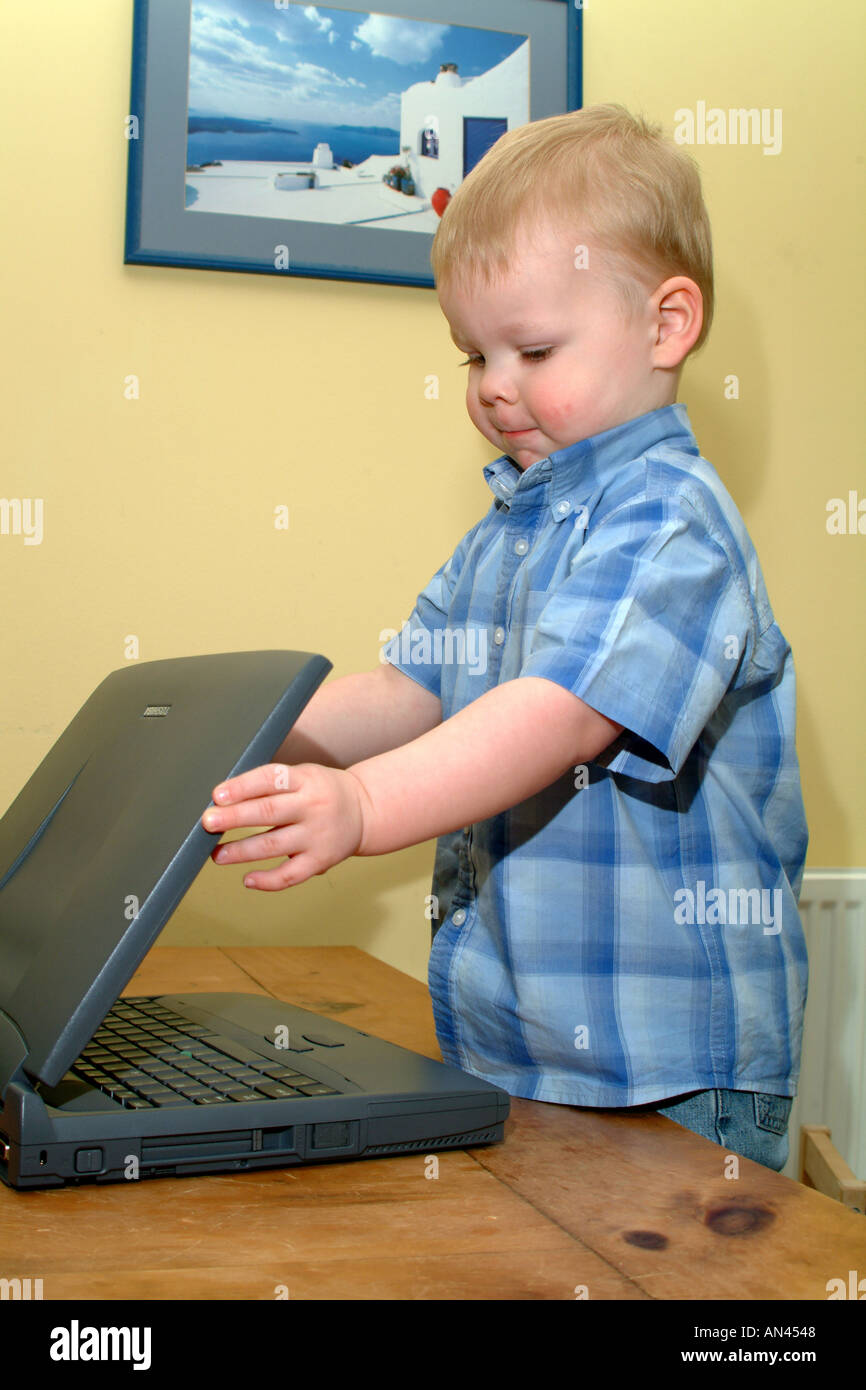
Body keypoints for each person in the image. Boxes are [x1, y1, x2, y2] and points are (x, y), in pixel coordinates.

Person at [201, 105, 808, 1172]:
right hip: (512, 1052)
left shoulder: (669, 520)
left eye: (530, 347)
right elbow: (409, 689)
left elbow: (560, 710)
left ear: (667, 325)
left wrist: (366, 803)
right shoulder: (509, 531)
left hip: (661, 1074)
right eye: (471, 353)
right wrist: (257, 730)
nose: (491, 384)